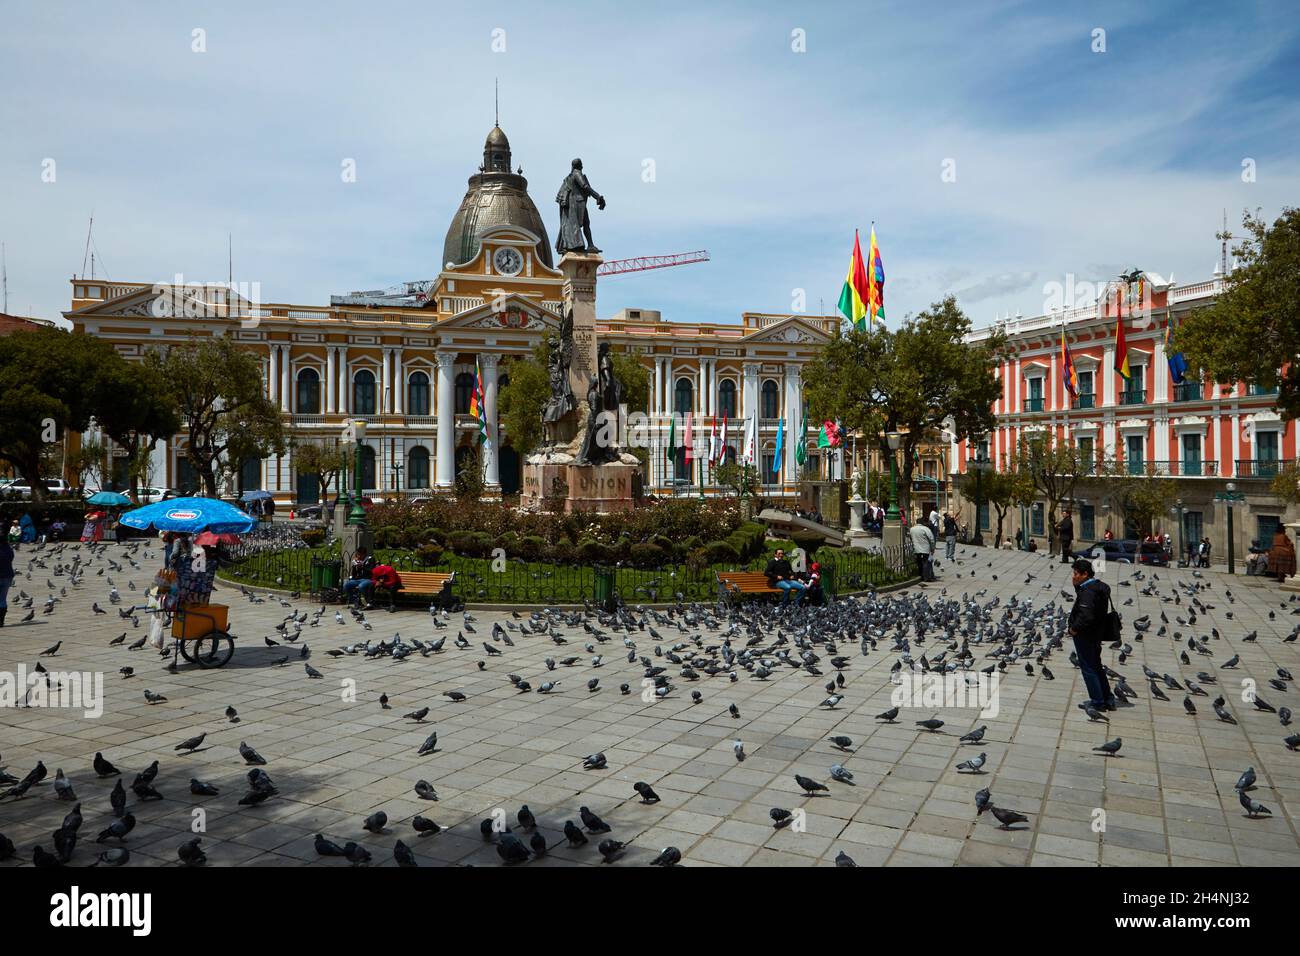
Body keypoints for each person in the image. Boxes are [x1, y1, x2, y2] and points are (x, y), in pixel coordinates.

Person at [1068, 558, 1117, 711]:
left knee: (1088, 668)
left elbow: (1086, 616)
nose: (1073, 576)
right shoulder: (1098, 587)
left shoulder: (1088, 592)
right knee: (1096, 666)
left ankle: (1097, 702)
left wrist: (1074, 629)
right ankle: (1107, 698)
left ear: (1085, 574)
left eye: (1076, 574)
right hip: (1097, 633)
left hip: (1086, 635)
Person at [0, 520, 13, 626]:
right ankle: (1, 621)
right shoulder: (7, 547)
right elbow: (11, 558)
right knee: (2, 599)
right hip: (7, 575)